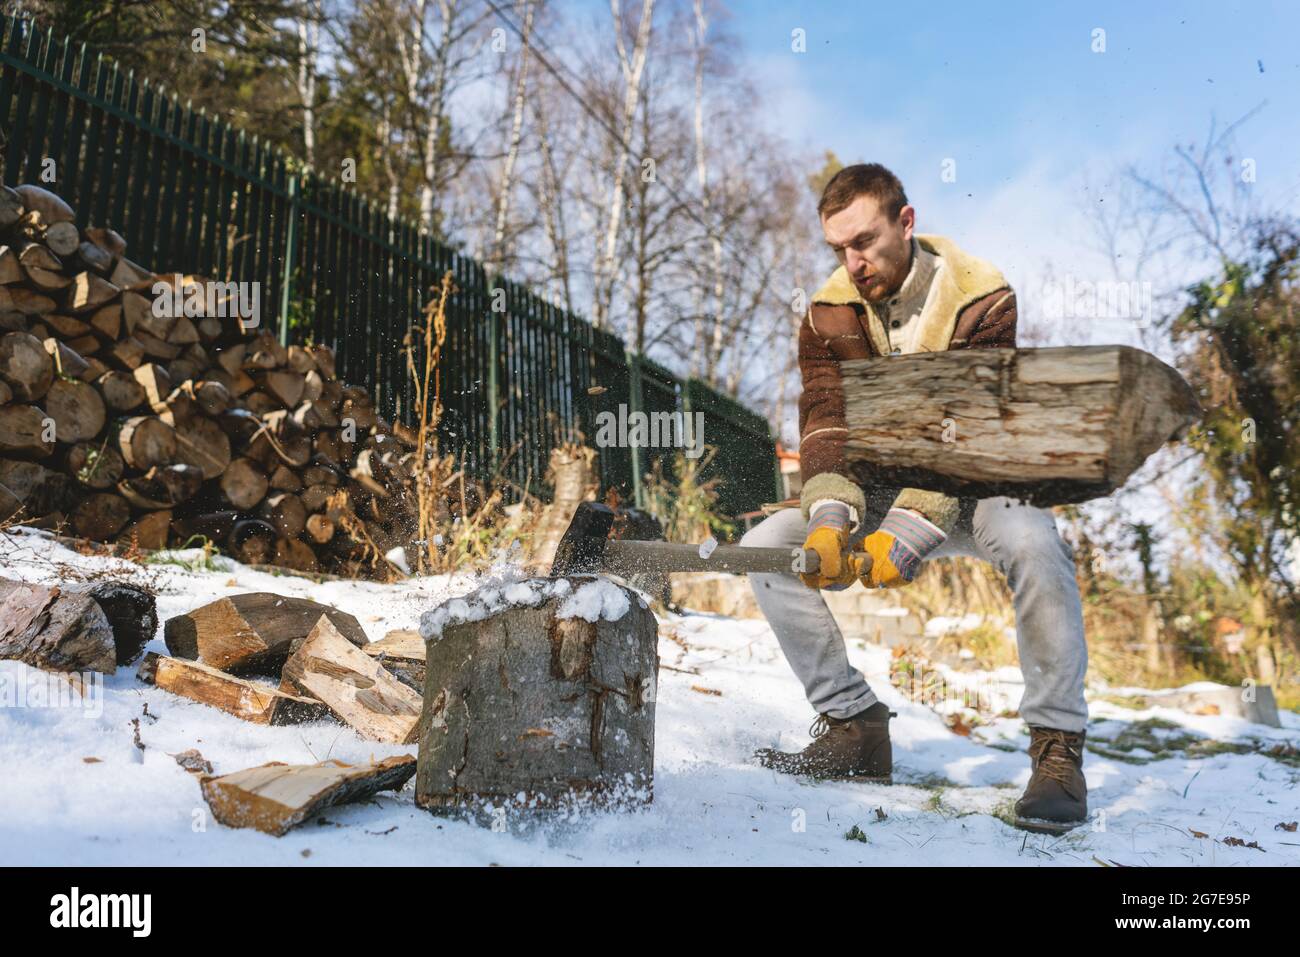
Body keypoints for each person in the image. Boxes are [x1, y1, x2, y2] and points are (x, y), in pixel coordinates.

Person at [740, 163, 1089, 833]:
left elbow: (957, 425)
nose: (853, 260)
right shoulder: (825, 311)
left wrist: (904, 534)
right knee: (764, 548)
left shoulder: (980, 294)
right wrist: (830, 520)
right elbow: (827, 420)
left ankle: (1057, 752)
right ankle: (854, 729)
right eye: (839, 247)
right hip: (876, 481)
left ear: (907, 221)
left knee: (1035, 544)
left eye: (865, 240)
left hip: (983, 478)